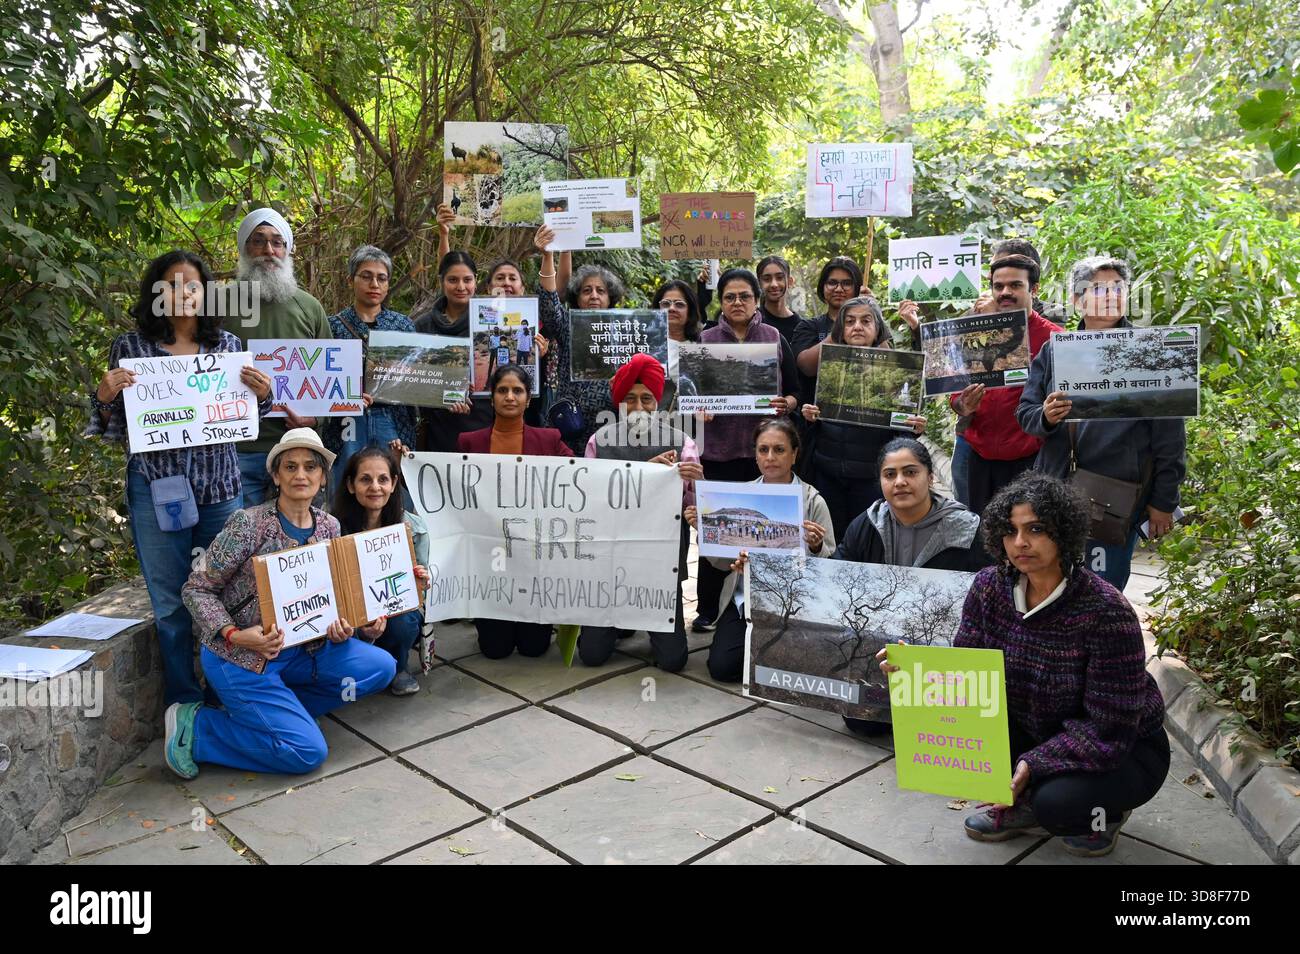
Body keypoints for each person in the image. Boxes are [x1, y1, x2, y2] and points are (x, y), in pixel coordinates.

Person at [881, 472, 1170, 857]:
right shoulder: (988, 587)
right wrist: (914, 673)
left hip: (1124, 747)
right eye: (1010, 530)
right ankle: (1022, 796)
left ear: (1063, 533)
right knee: (972, 763)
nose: (1020, 543)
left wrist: (1033, 764)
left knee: (1055, 804)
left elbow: (1110, 728)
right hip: (1039, 723)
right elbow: (968, 674)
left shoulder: (1105, 611)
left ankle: (1106, 812)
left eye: (1035, 528)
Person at [89, 250, 274, 706]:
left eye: (191, 285)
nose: (182, 294)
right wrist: (104, 396)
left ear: (206, 293)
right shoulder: (130, 349)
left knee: (229, 594)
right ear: (155, 294)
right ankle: (183, 701)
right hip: (157, 491)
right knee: (172, 604)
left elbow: (249, 420)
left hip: (221, 490)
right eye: (170, 285)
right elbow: (114, 427)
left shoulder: (229, 347)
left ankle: (229, 694)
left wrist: (265, 395)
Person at [167, 429, 400, 778]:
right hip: (245, 655)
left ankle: (282, 717)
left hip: (305, 649)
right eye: (290, 467)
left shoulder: (329, 526)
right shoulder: (248, 525)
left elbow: (330, 598)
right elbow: (196, 589)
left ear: (323, 478)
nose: (300, 475)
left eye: (310, 467)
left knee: (381, 667)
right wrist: (234, 634)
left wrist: (348, 627)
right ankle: (200, 729)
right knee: (307, 753)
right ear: (276, 476)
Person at [1016, 256, 1186, 591]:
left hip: (1117, 499)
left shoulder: (1151, 352)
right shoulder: (1054, 351)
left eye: (1118, 288)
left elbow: (1170, 437)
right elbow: (1026, 413)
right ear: (1077, 300)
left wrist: (1163, 503)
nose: (1110, 295)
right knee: (1049, 585)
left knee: (1102, 592)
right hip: (1056, 491)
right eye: (1098, 288)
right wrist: (1046, 418)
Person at [832, 437, 988, 735]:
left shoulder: (969, 532)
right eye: (890, 474)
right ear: (880, 482)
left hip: (945, 656)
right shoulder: (864, 525)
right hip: (881, 651)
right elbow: (837, 575)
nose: (900, 482)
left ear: (930, 477)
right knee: (860, 722)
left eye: (910, 472)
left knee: (940, 729)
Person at [691, 268, 800, 633]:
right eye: (729, 297)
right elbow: (688, 394)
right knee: (714, 534)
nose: (737, 303)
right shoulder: (705, 340)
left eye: (744, 296)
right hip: (718, 454)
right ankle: (707, 609)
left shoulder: (773, 337)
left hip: (763, 455)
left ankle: (760, 606)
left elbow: (796, 392)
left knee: (760, 531)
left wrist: (786, 402)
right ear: (720, 301)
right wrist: (697, 406)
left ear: (756, 300)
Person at [578, 354, 702, 671]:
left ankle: (646, 620)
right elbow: (590, 498)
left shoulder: (683, 442)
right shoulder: (598, 441)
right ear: (619, 402)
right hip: (611, 554)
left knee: (672, 661)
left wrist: (694, 490)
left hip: (661, 560)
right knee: (591, 655)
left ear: (657, 402)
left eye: (646, 398)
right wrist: (643, 474)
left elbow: (693, 505)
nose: (638, 407)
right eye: (630, 399)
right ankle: (620, 619)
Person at [685, 418, 834, 682]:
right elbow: (720, 564)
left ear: (794, 454)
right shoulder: (740, 496)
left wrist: (815, 545)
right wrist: (704, 532)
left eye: (779, 449)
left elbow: (831, 563)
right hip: (748, 599)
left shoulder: (812, 500)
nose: (770, 457)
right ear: (755, 455)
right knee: (722, 667)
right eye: (763, 450)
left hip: (795, 602)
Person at [458, 364, 572, 658]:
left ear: (528, 398)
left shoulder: (549, 440)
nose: (510, 397)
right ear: (492, 397)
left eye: (517, 391)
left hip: (534, 559)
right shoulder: (468, 443)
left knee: (533, 648)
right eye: (502, 390)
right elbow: (448, 490)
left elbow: (585, 476)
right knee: (495, 650)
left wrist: (646, 471)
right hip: (490, 559)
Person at [223, 208, 333, 505]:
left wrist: (316, 417)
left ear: (288, 250)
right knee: (241, 544)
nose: (268, 250)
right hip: (236, 452)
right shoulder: (218, 305)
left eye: (277, 242)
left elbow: (331, 380)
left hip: (296, 451)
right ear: (244, 248)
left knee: (298, 545)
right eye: (258, 241)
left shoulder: (309, 308)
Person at [800, 296, 927, 535]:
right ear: (841, 329)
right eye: (849, 321)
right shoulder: (829, 364)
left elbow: (900, 430)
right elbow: (812, 429)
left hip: (872, 477)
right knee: (831, 538)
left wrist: (913, 428)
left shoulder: (896, 370)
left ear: (877, 329)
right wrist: (809, 418)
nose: (857, 326)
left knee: (869, 539)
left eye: (865, 321)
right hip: (828, 474)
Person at [949, 254, 1061, 519]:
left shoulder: (1055, 337)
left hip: (1030, 459)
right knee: (982, 539)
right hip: (979, 457)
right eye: (998, 286)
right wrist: (963, 405)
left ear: (1034, 289)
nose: (1005, 292)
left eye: (1015, 285)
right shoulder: (973, 331)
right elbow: (955, 397)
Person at [332, 446, 433, 695]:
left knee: (405, 619)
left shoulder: (414, 527)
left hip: (394, 609)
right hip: (349, 614)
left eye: (383, 479)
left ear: (394, 483)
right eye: (365, 479)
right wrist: (359, 625)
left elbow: (422, 590)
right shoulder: (332, 529)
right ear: (350, 485)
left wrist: (422, 581)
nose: (375, 487)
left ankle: (398, 666)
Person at [323, 245, 418, 496]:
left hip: (392, 418)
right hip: (346, 421)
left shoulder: (402, 326)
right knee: (347, 484)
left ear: (387, 284)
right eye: (366, 276)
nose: (374, 283)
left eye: (381, 278)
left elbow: (417, 377)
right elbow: (321, 380)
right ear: (350, 280)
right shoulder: (332, 327)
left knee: (391, 487)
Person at [542, 262, 627, 453]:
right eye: (587, 290)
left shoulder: (625, 329)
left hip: (610, 424)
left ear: (610, 297)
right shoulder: (568, 324)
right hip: (569, 424)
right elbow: (549, 305)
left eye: (600, 291)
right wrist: (548, 255)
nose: (594, 296)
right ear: (578, 297)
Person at [412, 250, 490, 451]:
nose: (461, 287)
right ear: (442, 282)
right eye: (453, 280)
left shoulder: (490, 322)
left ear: (476, 281)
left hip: (485, 424)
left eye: (467, 280)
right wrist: (445, 396)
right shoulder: (423, 326)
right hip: (438, 430)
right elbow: (414, 381)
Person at [791, 256, 866, 404]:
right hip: (817, 419)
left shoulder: (871, 327)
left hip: (863, 415)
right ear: (823, 287)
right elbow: (806, 367)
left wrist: (872, 313)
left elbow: (891, 364)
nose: (839, 289)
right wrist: (840, 329)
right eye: (832, 283)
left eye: (847, 283)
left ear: (857, 288)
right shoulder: (808, 326)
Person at [754, 255, 805, 344]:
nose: (774, 284)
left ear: (790, 282)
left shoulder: (801, 327)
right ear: (759, 284)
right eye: (767, 279)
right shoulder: (752, 322)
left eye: (779, 278)